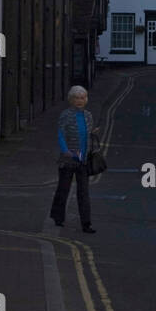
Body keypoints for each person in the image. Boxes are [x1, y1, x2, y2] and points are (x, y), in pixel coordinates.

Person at [49, 85, 100, 234]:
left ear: (86, 100)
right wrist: (65, 151)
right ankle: (58, 217)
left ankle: (86, 224)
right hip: (68, 159)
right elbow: (61, 134)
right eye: (76, 98)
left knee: (83, 193)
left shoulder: (88, 116)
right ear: (71, 100)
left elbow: (88, 134)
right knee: (63, 190)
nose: (79, 101)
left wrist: (93, 133)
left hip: (83, 160)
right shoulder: (65, 115)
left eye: (82, 98)